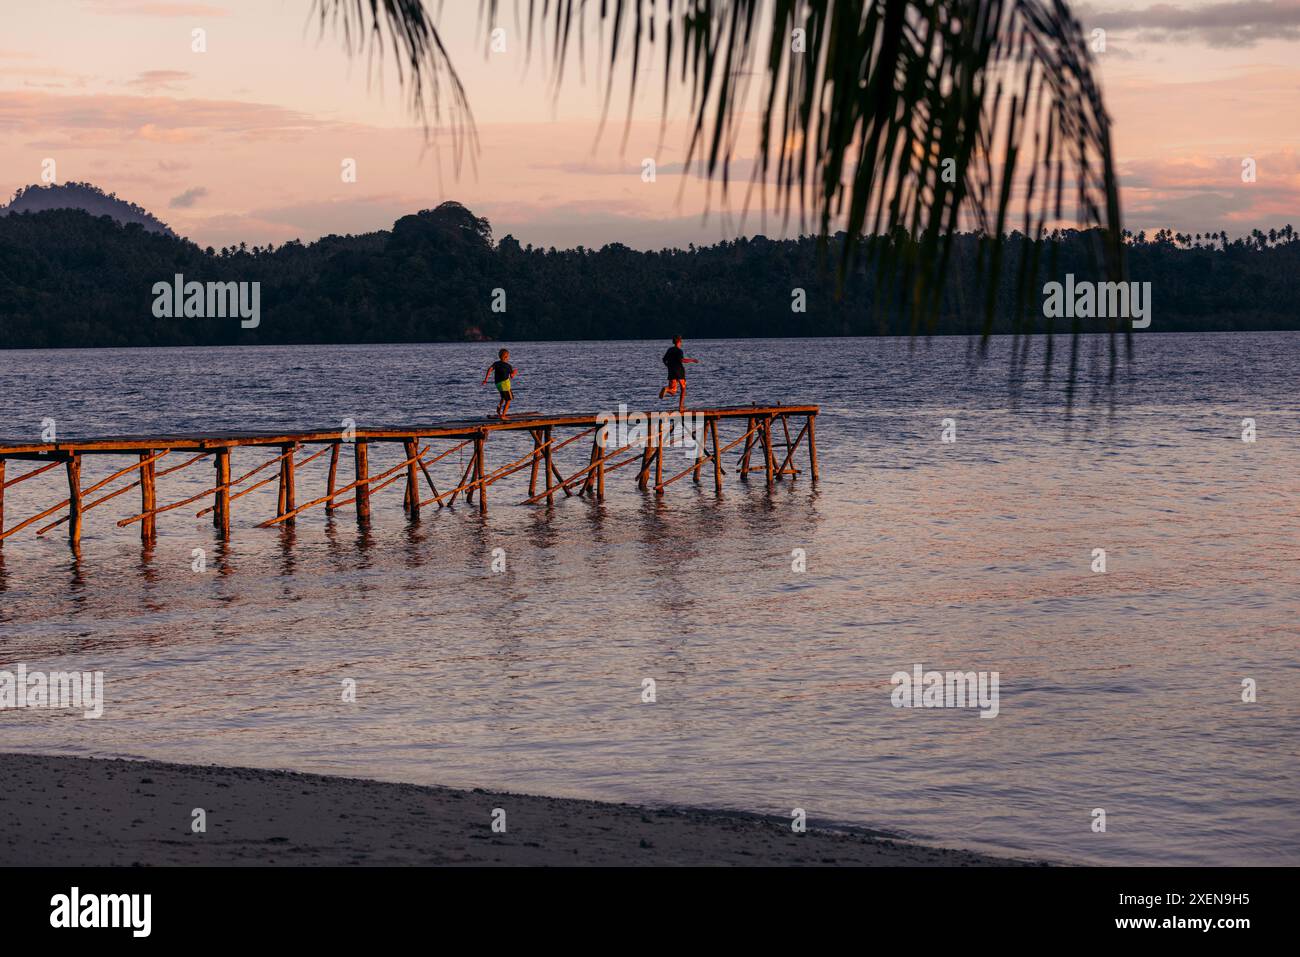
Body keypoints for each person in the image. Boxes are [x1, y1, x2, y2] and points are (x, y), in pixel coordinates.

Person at [658, 335, 699, 413]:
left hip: (671, 371)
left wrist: (668, 366)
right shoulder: (679, 351)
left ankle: (666, 389)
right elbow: (682, 360)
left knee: (673, 391)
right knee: (683, 388)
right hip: (679, 371)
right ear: (680, 341)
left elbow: (664, 359)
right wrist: (692, 360)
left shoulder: (669, 350)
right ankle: (681, 407)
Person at [482, 348, 516, 419]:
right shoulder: (508, 366)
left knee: (503, 397)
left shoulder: (496, 363)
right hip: (505, 384)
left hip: (498, 384)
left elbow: (489, 369)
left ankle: (499, 407)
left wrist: (485, 379)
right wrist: (514, 373)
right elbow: (512, 377)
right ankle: (503, 415)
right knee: (509, 399)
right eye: (508, 356)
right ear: (506, 357)